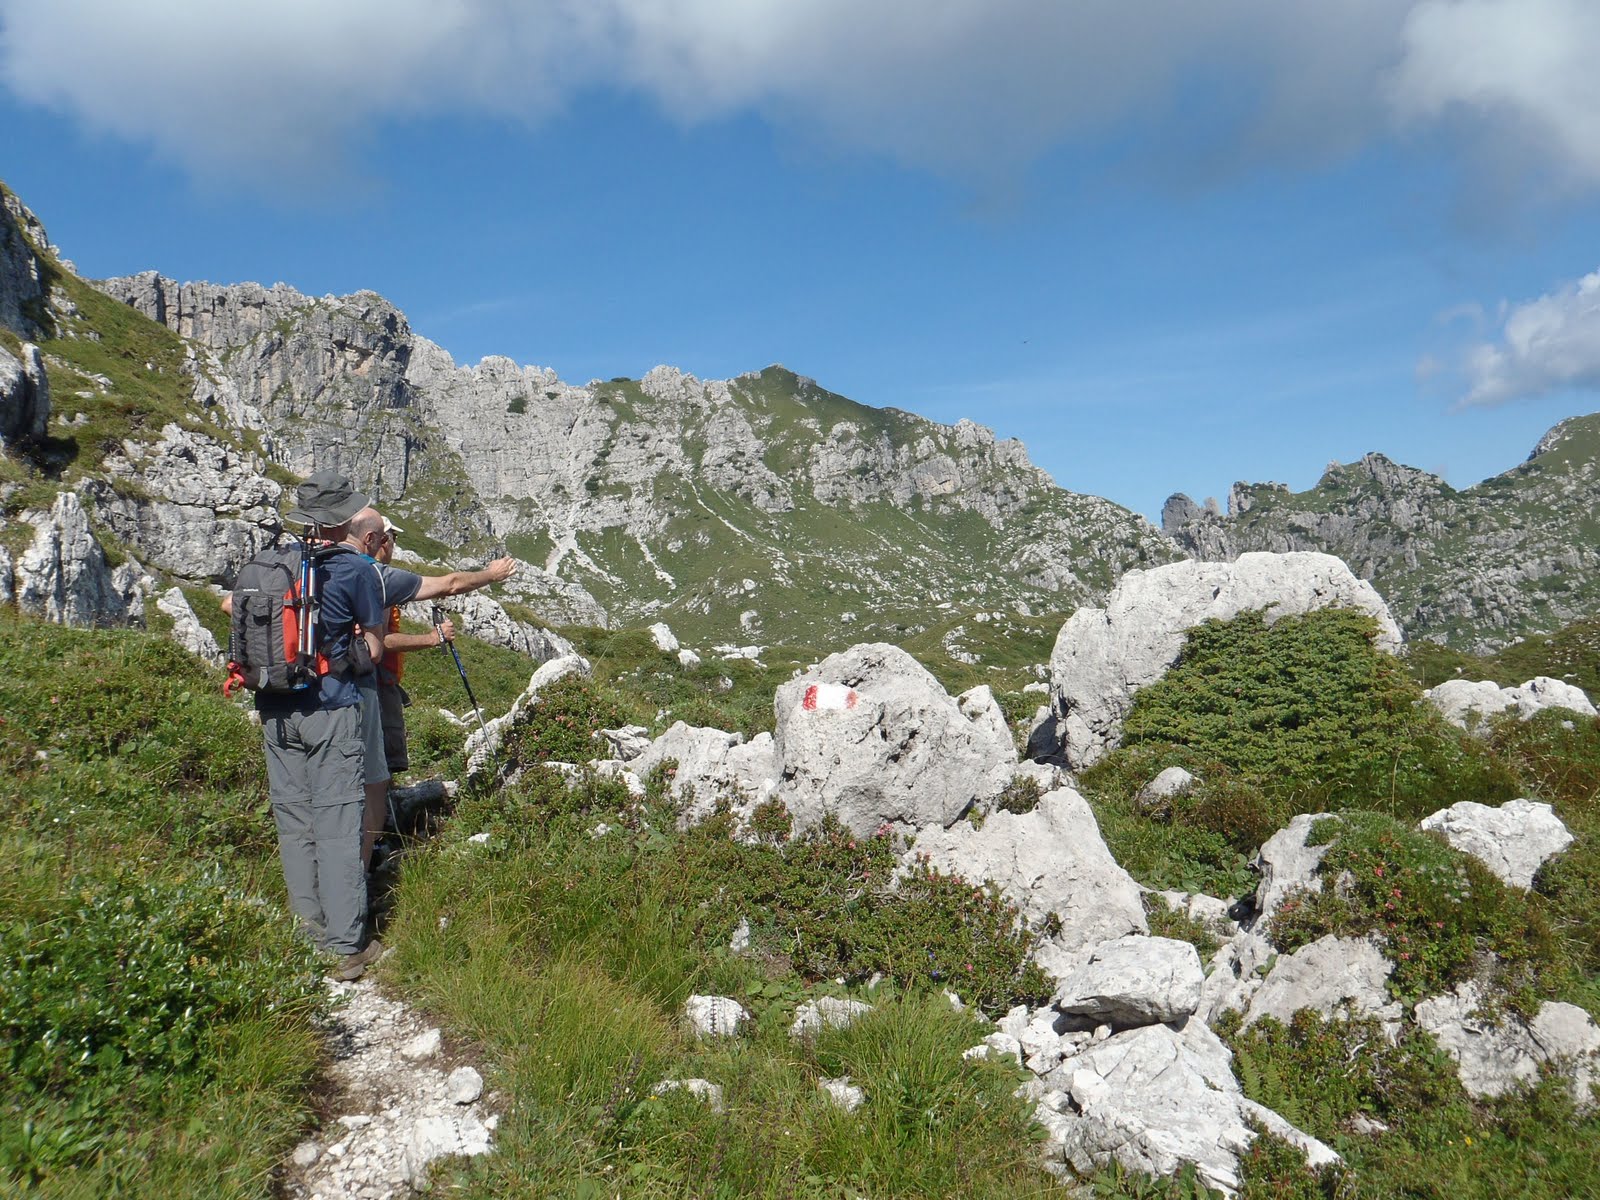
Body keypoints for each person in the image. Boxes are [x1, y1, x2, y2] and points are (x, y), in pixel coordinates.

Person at [254, 470, 387, 982]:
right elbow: (373, 650)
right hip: (330, 712)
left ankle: (303, 937)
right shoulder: (355, 569)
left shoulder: (272, 562)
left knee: (295, 824)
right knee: (335, 825)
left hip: (274, 710)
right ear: (341, 520)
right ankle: (346, 946)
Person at [347, 508, 517, 867]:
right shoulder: (374, 578)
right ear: (377, 541)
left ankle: (369, 838)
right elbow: (385, 638)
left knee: (375, 767)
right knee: (378, 769)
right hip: (373, 684)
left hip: (372, 682)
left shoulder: (363, 576)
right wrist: (432, 637)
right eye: (391, 538)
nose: (393, 544)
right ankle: (372, 847)